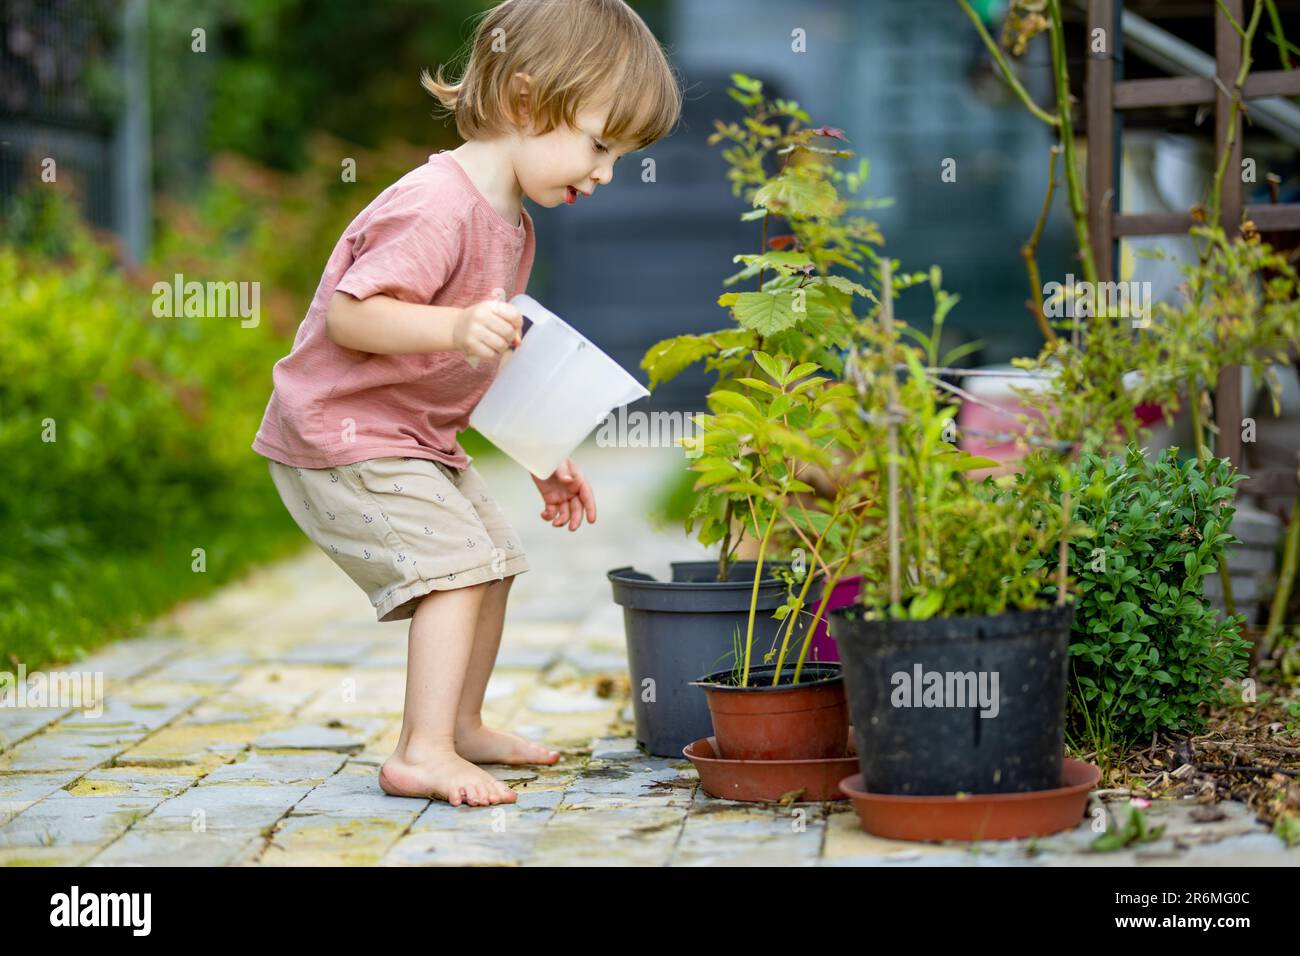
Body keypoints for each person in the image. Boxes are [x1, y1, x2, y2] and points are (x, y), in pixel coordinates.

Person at [251, 0, 681, 806]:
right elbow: (351, 313)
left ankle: (463, 725)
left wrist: (542, 455)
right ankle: (421, 750)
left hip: (411, 434)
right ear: (524, 101)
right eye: (600, 143)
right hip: (345, 433)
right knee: (456, 569)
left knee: (495, 561)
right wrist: (453, 324)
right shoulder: (435, 204)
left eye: (621, 155)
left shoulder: (513, 226)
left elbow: (482, 361)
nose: (606, 173)